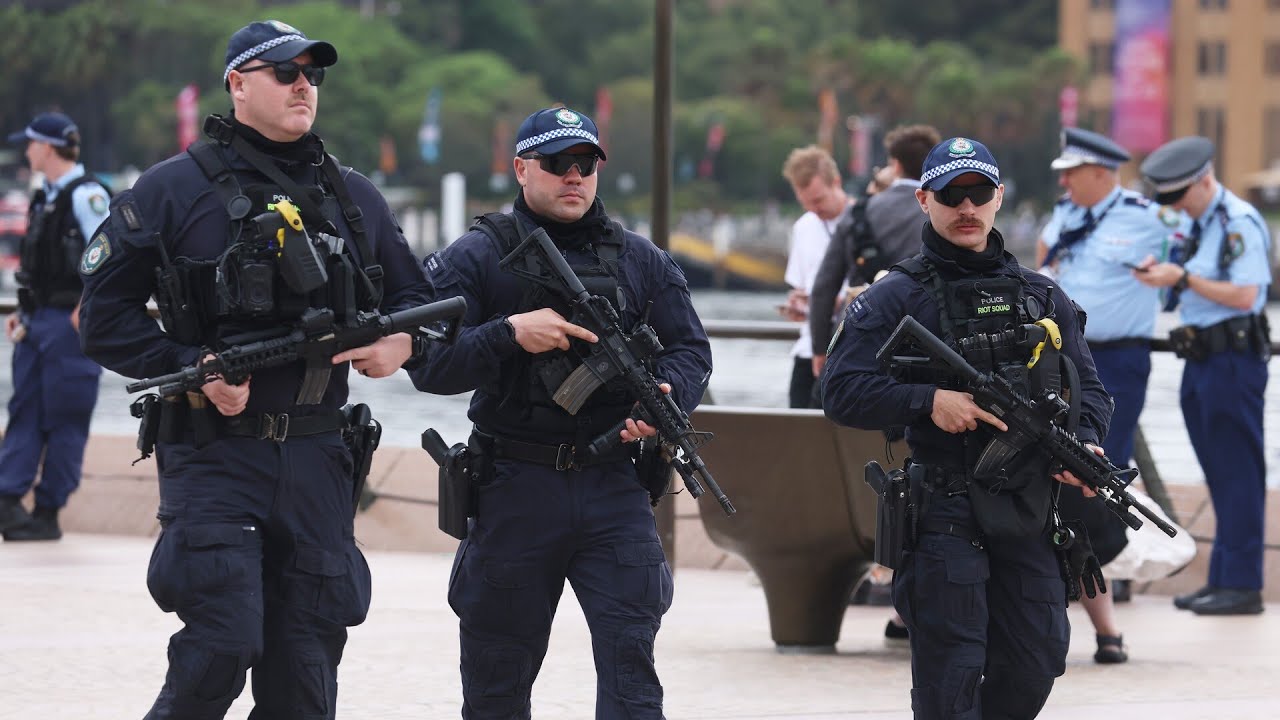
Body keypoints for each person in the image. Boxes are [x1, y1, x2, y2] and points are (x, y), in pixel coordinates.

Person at [77, 20, 433, 718]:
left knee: (304, 673)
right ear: (238, 84)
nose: (304, 85)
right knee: (222, 644)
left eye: (313, 74)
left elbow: (418, 302)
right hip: (215, 454)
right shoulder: (170, 190)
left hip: (318, 455)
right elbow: (102, 318)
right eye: (285, 72)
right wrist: (190, 365)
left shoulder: (354, 196)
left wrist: (404, 346)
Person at [408, 106, 712, 719]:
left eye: (586, 164)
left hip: (615, 485)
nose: (574, 176)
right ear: (522, 169)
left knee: (632, 673)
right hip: (514, 486)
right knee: (497, 678)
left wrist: (666, 397)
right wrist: (508, 335)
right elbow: (427, 365)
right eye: (557, 164)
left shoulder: (640, 260)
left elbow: (690, 350)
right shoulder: (477, 256)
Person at [823, 137, 1113, 719]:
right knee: (950, 673)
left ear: (999, 197)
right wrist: (928, 400)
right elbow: (840, 391)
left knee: (1037, 658)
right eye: (952, 195)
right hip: (943, 512)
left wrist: (1081, 442)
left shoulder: (1041, 295)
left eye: (979, 193)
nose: (967, 208)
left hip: (1027, 510)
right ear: (924, 200)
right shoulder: (894, 296)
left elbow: (1092, 392)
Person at [1036, 126, 1184, 662]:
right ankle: (1093, 589)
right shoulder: (1067, 215)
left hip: (1117, 356)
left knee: (1100, 464)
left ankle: (1105, 573)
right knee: (1053, 464)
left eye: (1073, 173)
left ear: (1100, 172)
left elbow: (1181, 264)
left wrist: (1169, 279)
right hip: (1057, 355)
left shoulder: (1149, 217)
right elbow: (1043, 262)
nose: (1066, 182)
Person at [1135, 136, 1272, 616]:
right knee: (1218, 471)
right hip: (1202, 358)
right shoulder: (1200, 223)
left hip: (1232, 358)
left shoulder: (1237, 223)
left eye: (1179, 196)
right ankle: (1223, 579)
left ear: (1203, 180)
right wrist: (1167, 274)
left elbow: (1244, 294)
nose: (1176, 207)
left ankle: (1242, 584)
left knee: (1238, 472)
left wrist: (1184, 279)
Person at [0, 112, 110, 542]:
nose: (27, 152)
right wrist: (25, 308)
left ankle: (48, 509)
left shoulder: (87, 196)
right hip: (38, 320)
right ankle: (8, 501)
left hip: (67, 323)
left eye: (30, 145)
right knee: (25, 410)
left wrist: (86, 309)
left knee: (66, 415)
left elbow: (110, 256)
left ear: (46, 147)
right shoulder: (45, 194)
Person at [809, 124, 941, 379]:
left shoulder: (859, 211)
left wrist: (819, 349)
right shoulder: (941, 215)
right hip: (925, 343)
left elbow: (825, 286)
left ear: (896, 164)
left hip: (858, 336)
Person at [779, 145, 850, 408]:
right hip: (809, 347)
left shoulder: (863, 221)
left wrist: (831, 302)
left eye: (818, 200)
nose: (813, 209)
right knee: (796, 435)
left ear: (837, 182)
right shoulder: (803, 227)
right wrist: (799, 304)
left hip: (848, 347)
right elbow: (800, 285)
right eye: (806, 203)